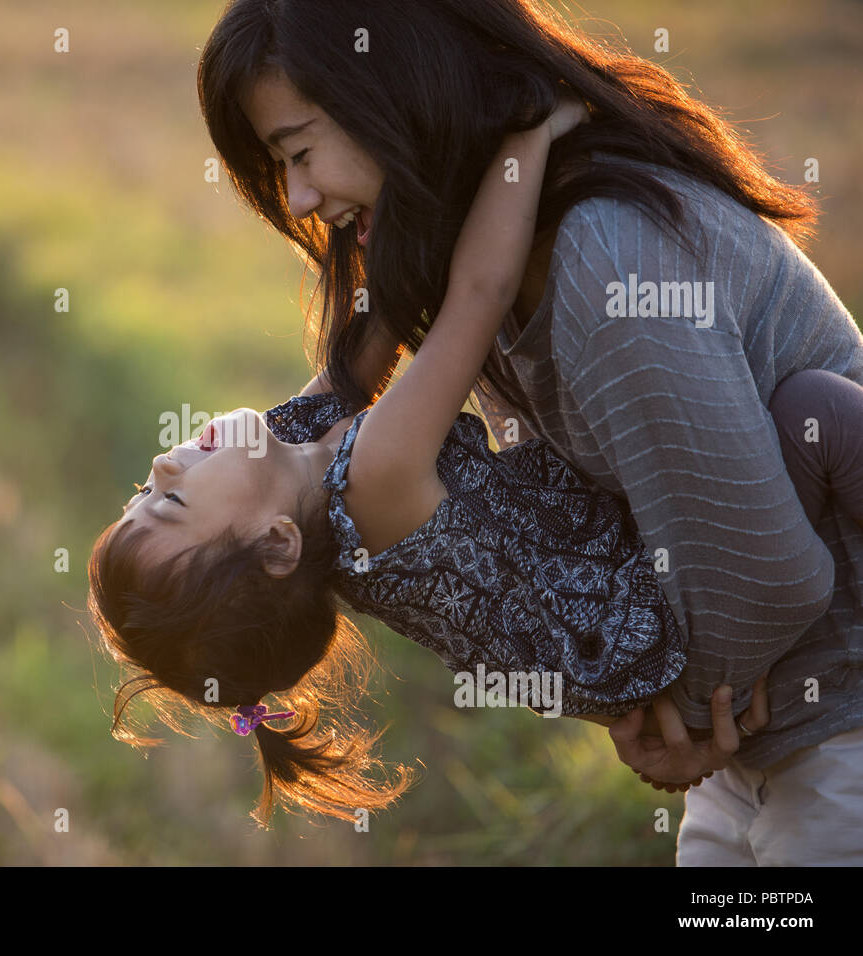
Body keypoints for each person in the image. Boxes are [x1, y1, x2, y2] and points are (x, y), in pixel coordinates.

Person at [194, 0, 863, 862]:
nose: (301, 198)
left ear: (395, 97)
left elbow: (762, 578)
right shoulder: (492, 284)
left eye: (299, 151)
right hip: (758, 744)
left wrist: (678, 716)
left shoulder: (605, 268)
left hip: (835, 732)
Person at [88, 102, 794, 829]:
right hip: (639, 624)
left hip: (617, 616)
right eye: (171, 504)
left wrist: (405, 176)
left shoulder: (297, 443)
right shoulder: (374, 486)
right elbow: (475, 294)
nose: (161, 467)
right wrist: (523, 140)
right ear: (277, 543)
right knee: (822, 426)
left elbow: (388, 310)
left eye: (143, 491)